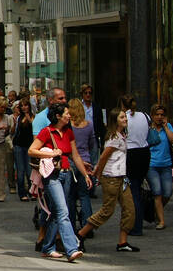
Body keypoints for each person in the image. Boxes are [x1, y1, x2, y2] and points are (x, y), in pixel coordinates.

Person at [29, 103, 93, 262]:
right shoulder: (47, 132)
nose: (69, 116)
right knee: (63, 211)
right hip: (53, 176)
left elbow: (75, 156)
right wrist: (51, 153)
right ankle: (72, 249)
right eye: (66, 113)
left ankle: (47, 247)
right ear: (58, 116)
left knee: (57, 212)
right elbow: (31, 150)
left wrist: (85, 175)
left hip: (67, 175)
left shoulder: (69, 132)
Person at [76, 110, 139, 252]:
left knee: (129, 209)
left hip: (121, 178)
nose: (125, 119)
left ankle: (122, 242)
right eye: (122, 117)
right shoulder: (114, 138)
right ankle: (80, 234)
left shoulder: (122, 135)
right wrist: (98, 174)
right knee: (107, 211)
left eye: (125, 117)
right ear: (115, 120)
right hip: (111, 178)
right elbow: (103, 157)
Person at [120, 96, 151, 237]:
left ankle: (135, 225)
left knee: (132, 192)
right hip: (144, 153)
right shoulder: (145, 116)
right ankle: (137, 223)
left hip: (131, 154)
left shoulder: (123, 118)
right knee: (137, 189)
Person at [146, 104, 173, 230]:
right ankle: (161, 220)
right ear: (152, 116)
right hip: (152, 164)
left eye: (162, 115)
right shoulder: (148, 128)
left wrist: (165, 127)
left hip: (166, 164)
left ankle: (154, 211)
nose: (159, 117)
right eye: (157, 115)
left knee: (168, 192)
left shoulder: (167, 127)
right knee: (157, 192)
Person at [66, 99, 96, 229]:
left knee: (71, 196)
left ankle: (72, 225)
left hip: (72, 161)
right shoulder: (88, 125)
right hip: (86, 161)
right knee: (84, 195)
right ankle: (87, 226)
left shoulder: (68, 127)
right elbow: (92, 144)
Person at [12, 97, 35, 201]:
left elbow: (34, 128)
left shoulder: (33, 117)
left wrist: (29, 118)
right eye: (22, 106)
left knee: (29, 171)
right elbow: (14, 131)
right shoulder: (18, 118)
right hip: (19, 146)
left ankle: (31, 191)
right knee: (20, 170)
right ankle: (22, 193)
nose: (24, 107)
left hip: (30, 146)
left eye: (26, 105)